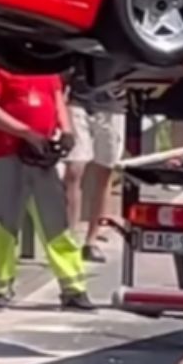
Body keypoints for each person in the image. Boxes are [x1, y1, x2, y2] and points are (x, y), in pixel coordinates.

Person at [0, 57, 95, 310]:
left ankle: (73, 288)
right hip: (6, 152)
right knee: (5, 222)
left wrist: (66, 130)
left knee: (56, 221)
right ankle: (2, 285)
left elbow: (57, 98)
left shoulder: (45, 63)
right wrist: (26, 133)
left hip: (42, 154)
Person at [63, 71, 127, 263]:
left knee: (104, 172)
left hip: (112, 104)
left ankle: (91, 240)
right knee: (74, 169)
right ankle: (69, 237)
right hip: (78, 99)